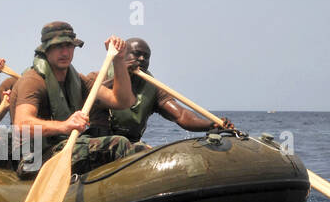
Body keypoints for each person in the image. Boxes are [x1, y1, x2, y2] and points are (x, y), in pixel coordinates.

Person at [9, 21, 149, 175]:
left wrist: (118, 60)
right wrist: (64, 126)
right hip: (33, 159)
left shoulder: (78, 81)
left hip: (65, 146)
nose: (65, 52)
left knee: (135, 147)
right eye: (58, 47)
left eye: (69, 46)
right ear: (46, 50)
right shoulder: (32, 81)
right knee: (118, 144)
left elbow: (122, 101)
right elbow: (21, 125)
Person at [87, 37, 234, 142]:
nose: (142, 59)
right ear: (122, 55)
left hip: (131, 145)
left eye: (146, 57)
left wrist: (211, 124)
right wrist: (122, 74)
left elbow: (181, 115)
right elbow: (88, 97)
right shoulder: (96, 78)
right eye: (137, 54)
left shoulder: (154, 89)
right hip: (101, 142)